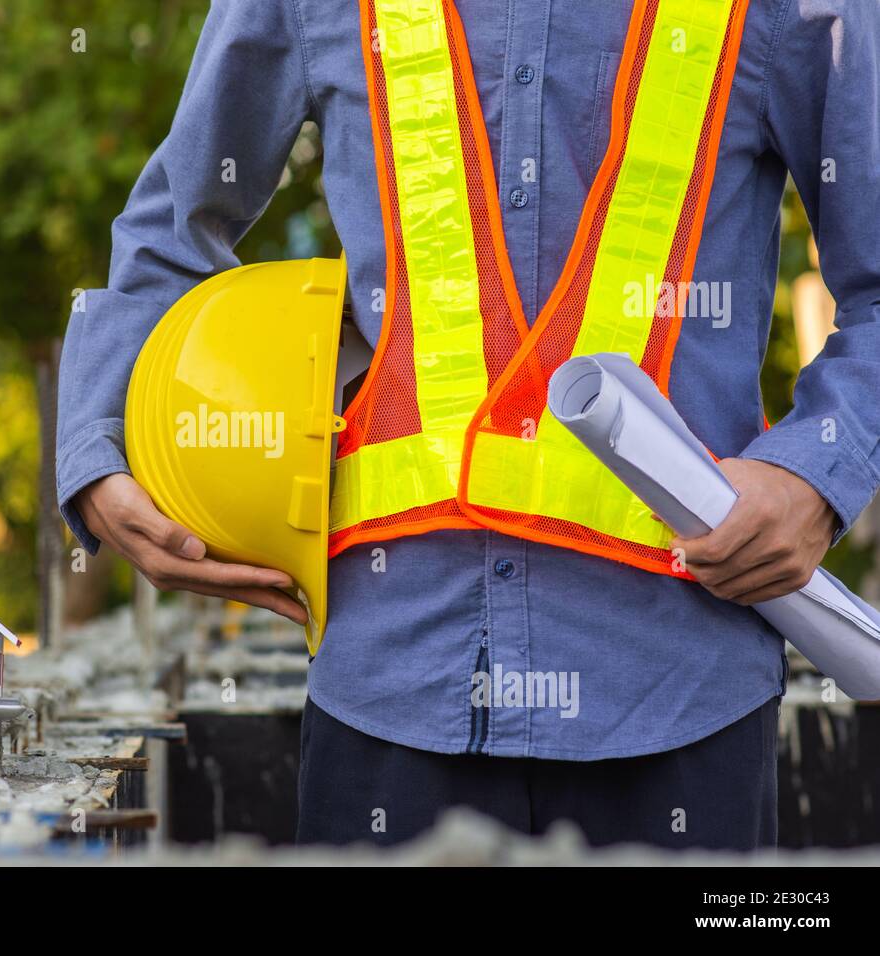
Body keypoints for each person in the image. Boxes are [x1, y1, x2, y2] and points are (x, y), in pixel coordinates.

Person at [55, 0, 880, 849]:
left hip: (677, 694)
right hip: (391, 688)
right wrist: (99, 453)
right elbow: (171, 239)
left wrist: (813, 477)